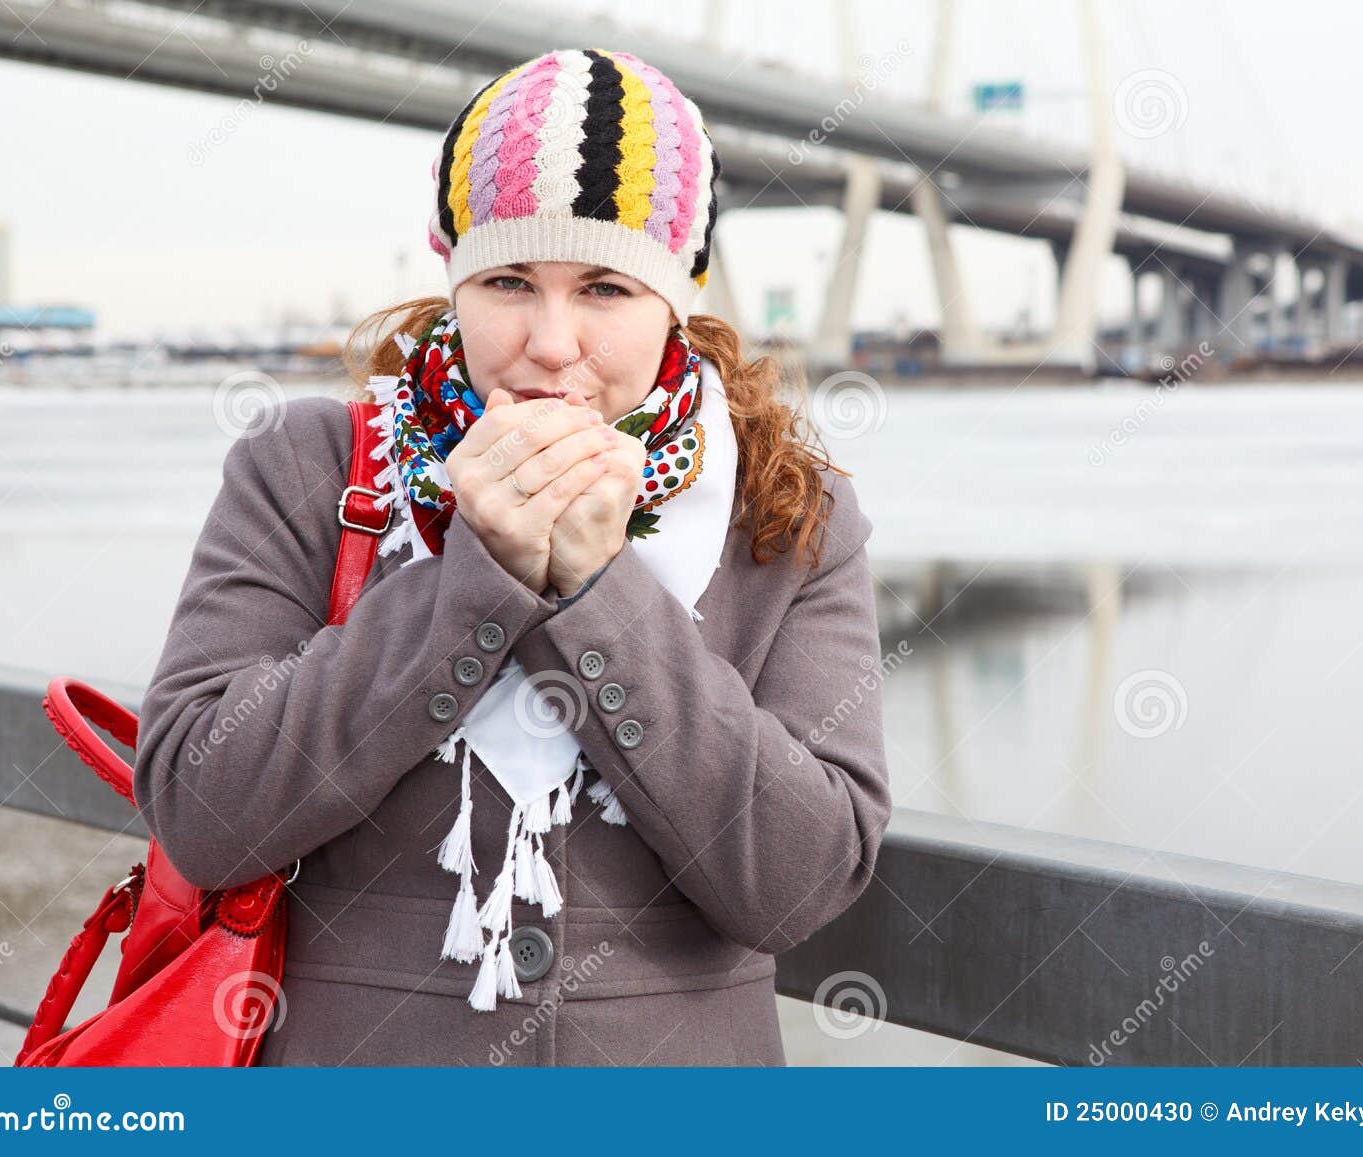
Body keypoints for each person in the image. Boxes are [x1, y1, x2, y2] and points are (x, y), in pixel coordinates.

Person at [134, 47, 890, 1066]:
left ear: (678, 297)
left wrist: (599, 589)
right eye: (507, 280)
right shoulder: (312, 468)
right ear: (452, 275)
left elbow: (801, 882)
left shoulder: (787, 511)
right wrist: (472, 577)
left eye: (606, 288)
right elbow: (204, 810)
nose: (549, 340)